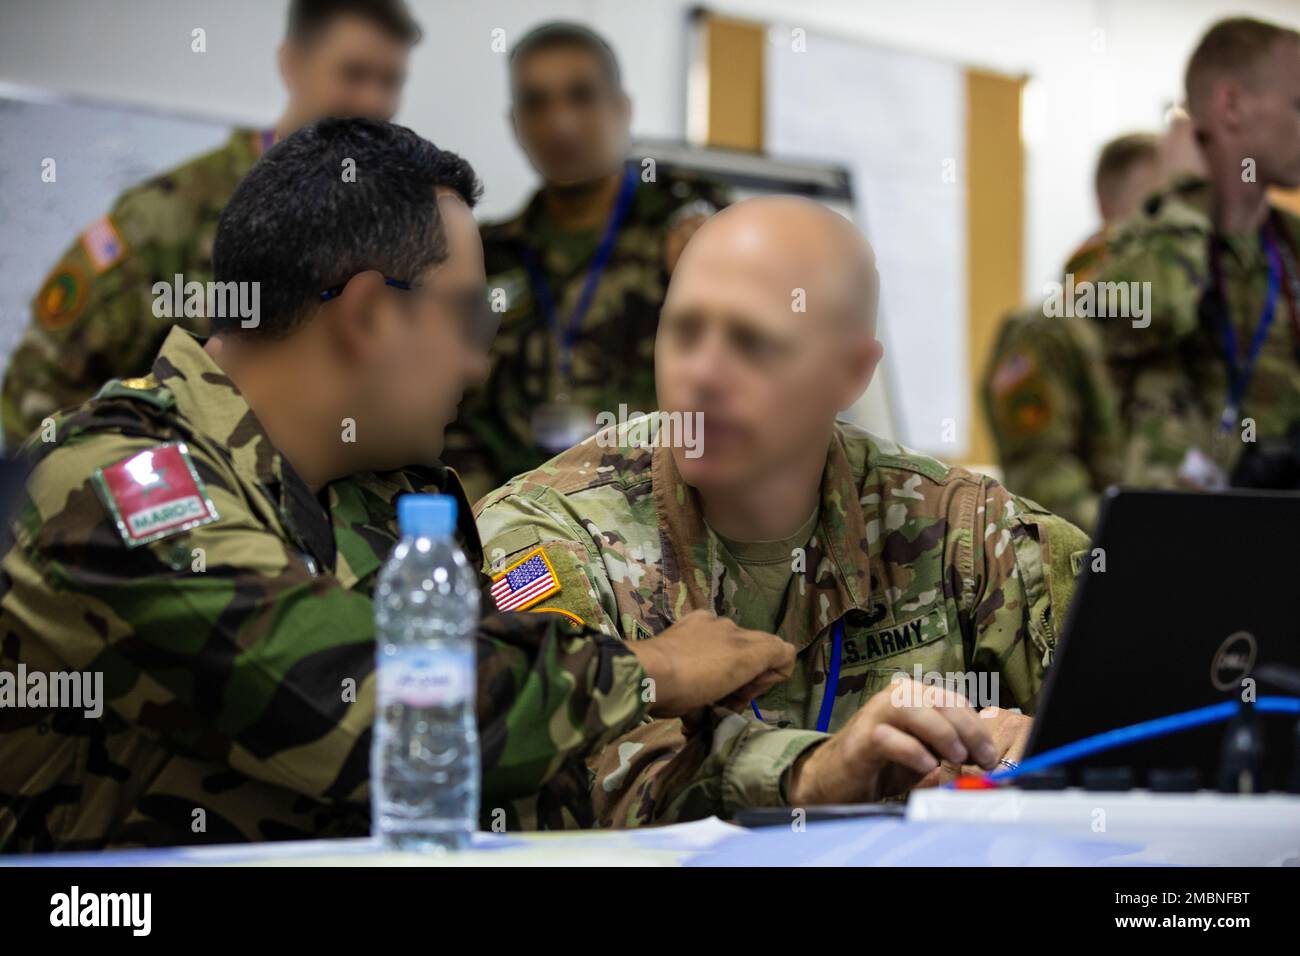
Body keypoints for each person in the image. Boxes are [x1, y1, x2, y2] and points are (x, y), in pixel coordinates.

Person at [0, 119, 797, 852]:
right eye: (466, 321)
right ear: (371, 315)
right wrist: (648, 669)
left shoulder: (382, 499)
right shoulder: (108, 486)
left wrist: (787, 776)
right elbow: (379, 713)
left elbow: (516, 783)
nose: (478, 364)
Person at [475, 196, 1089, 827]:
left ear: (851, 373)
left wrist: (1047, 746)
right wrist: (819, 772)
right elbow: (585, 778)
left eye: (752, 342)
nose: (702, 374)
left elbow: (1161, 723)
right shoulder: (548, 534)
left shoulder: (961, 527)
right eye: (683, 331)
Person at [1, 0, 420, 448]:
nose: (374, 102)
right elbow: (38, 391)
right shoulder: (169, 217)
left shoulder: (390, 230)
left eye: (390, 82)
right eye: (353, 75)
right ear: (292, 64)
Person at [440, 22, 731, 502]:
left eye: (581, 96)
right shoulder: (484, 256)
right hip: (515, 521)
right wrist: (484, 521)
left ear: (622, 109)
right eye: (537, 103)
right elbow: (454, 413)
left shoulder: (681, 226)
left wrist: (705, 227)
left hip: (660, 515)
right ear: (515, 123)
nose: (561, 122)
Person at [1095, 17, 1300, 490]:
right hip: (1179, 537)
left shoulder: (1289, 247)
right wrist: (1186, 195)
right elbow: (1145, 317)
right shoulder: (1141, 244)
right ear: (1231, 106)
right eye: (1299, 104)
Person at [981, 132, 1161, 531]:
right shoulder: (1047, 333)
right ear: (1107, 206)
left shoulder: (1181, 330)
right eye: (1155, 205)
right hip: (1099, 574)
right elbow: (1044, 492)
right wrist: (1151, 546)